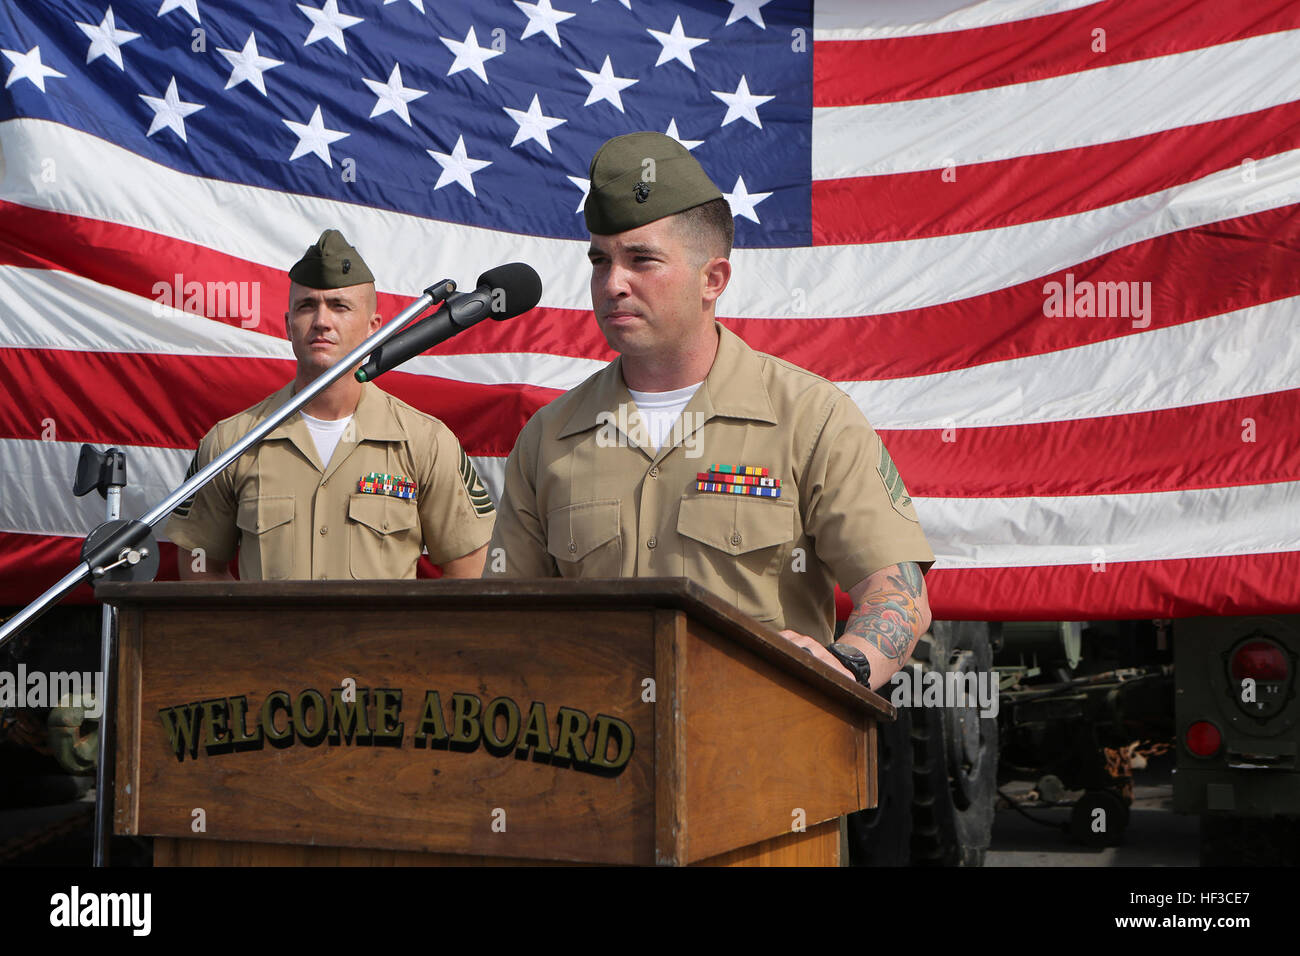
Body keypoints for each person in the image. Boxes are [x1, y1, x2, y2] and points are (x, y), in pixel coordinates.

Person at [485, 132, 933, 690]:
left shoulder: (809, 417)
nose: (613, 283)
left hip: (757, 744)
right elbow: (506, 621)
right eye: (601, 261)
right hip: (593, 752)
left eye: (641, 260)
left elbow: (896, 591)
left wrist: (848, 664)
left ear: (712, 279)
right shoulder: (551, 436)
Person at [168, 229, 495, 581]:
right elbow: (200, 565)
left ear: (374, 328)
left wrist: (411, 637)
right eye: (307, 306)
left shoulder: (424, 442)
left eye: (340, 306)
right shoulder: (232, 442)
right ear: (288, 326)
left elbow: (469, 569)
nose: (322, 321)